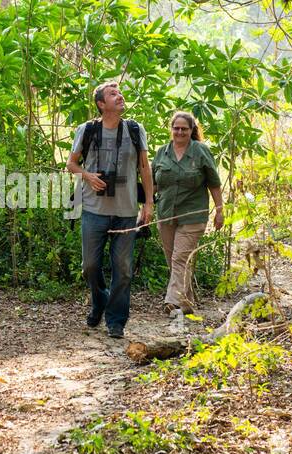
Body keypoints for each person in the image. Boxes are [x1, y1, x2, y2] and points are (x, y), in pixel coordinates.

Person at [66, 81, 154, 338]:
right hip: (93, 209)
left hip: (126, 210)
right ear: (101, 104)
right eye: (112, 94)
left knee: (123, 268)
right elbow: (71, 164)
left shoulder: (135, 130)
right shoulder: (87, 130)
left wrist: (148, 203)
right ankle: (100, 299)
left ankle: (116, 321)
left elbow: (144, 168)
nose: (120, 96)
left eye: (120, 93)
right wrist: (88, 175)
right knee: (89, 266)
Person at [150, 110, 223, 315]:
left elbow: (214, 183)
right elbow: (153, 184)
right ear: (171, 129)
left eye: (184, 128)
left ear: (192, 131)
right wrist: (144, 205)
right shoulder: (162, 152)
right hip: (166, 214)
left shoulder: (200, 151)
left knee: (179, 258)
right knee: (173, 259)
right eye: (176, 128)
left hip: (193, 214)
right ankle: (187, 302)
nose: (180, 132)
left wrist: (219, 211)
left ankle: (172, 302)